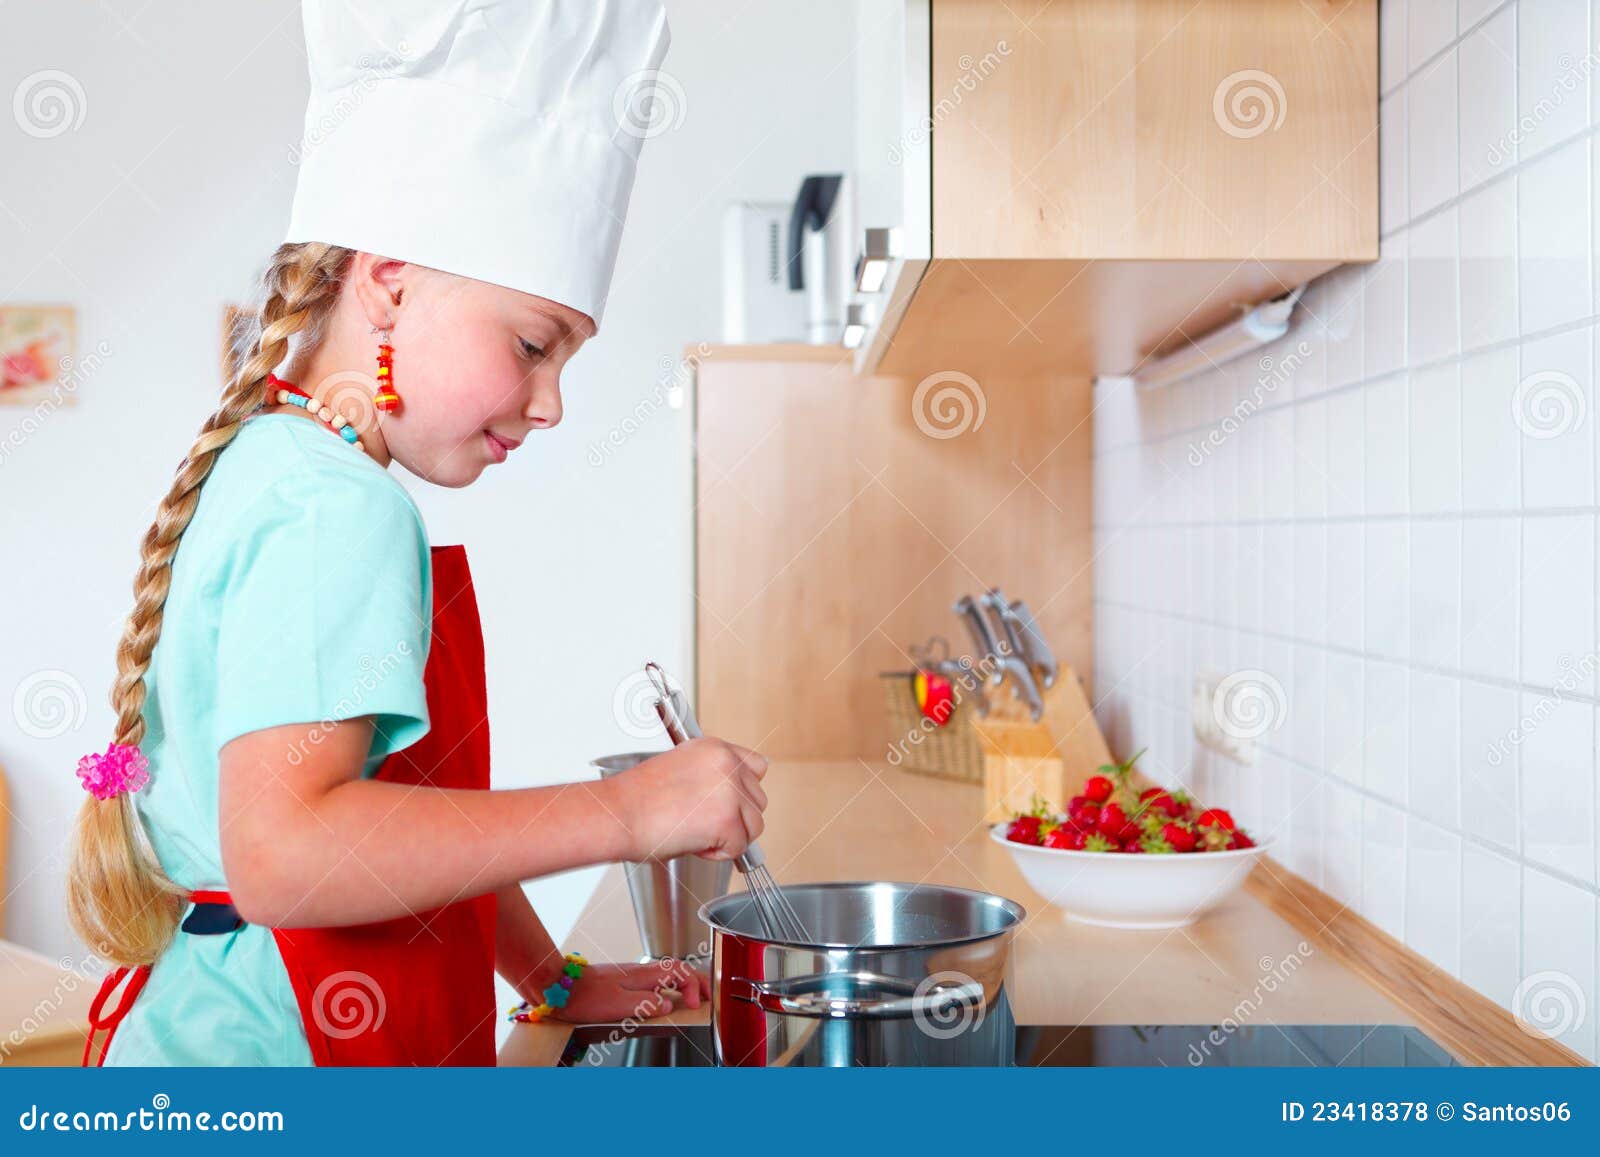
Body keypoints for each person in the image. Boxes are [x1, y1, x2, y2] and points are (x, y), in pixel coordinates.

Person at [67, 0, 768, 1066]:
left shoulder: (283, 460)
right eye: (535, 343)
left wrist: (550, 975)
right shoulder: (338, 505)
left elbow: (413, 812)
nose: (551, 403)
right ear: (389, 284)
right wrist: (626, 811)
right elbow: (288, 854)